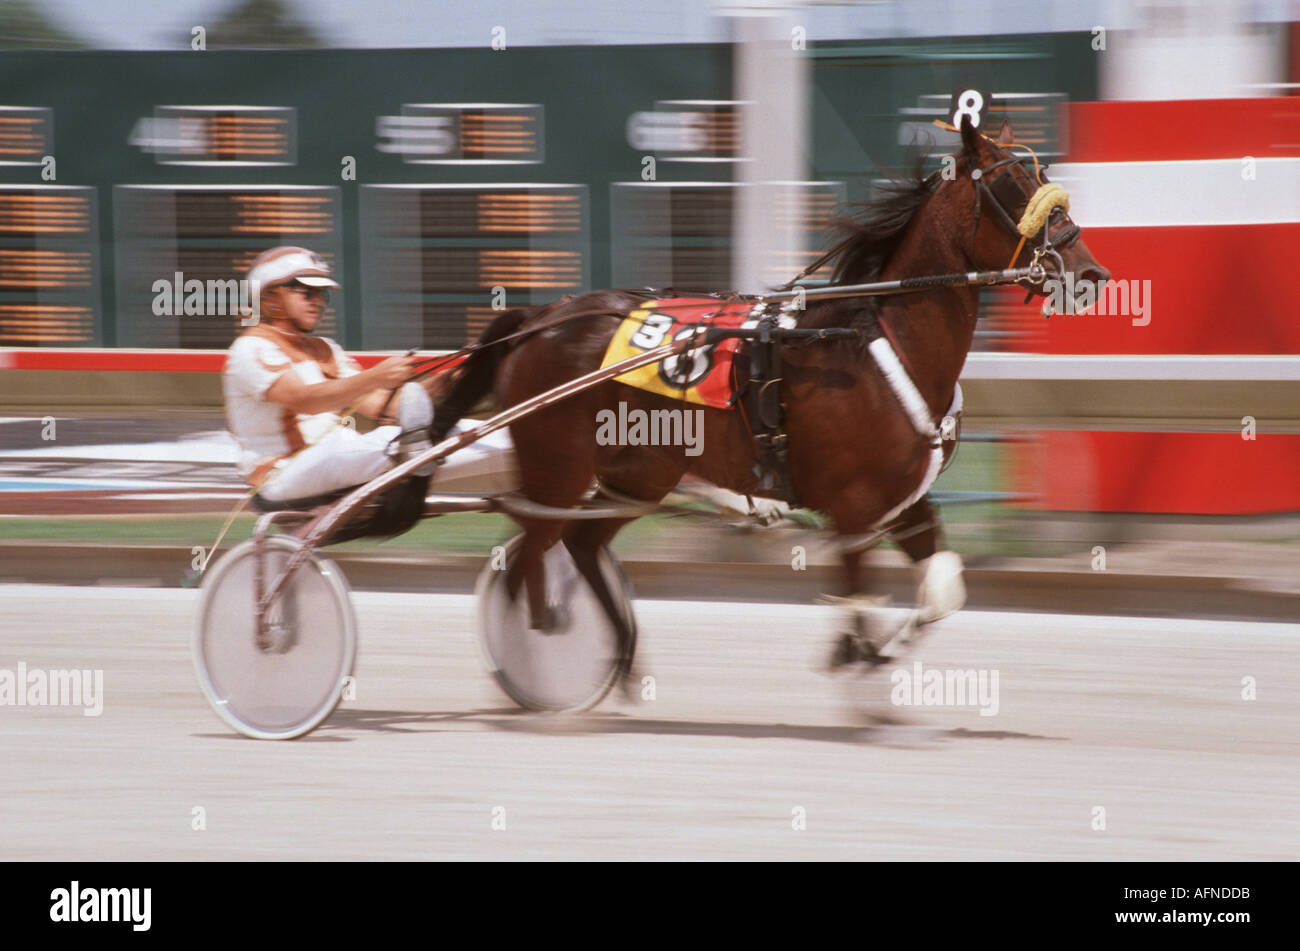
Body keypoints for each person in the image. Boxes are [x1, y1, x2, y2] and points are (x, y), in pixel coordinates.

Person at [223, 245, 442, 504]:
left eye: (321, 293)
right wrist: (375, 377)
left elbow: (386, 408)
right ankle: (413, 450)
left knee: (454, 432)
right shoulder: (250, 347)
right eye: (307, 292)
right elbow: (306, 400)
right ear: (272, 298)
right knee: (393, 441)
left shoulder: (326, 349)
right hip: (282, 473)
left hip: (335, 458)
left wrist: (458, 377)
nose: (317, 301)